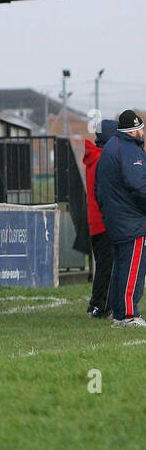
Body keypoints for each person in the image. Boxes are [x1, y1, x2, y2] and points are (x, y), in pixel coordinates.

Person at [93, 109, 146, 328]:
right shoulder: (129, 150)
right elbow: (139, 186)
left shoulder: (110, 148)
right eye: (142, 128)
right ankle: (128, 315)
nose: (143, 133)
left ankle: (118, 311)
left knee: (120, 267)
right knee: (133, 267)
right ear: (134, 130)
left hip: (115, 218)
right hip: (131, 220)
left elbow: (99, 189)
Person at [84, 118, 118, 318]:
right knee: (106, 266)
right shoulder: (101, 159)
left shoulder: (94, 156)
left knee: (104, 265)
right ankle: (99, 305)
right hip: (104, 220)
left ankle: (99, 304)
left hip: (96, 221)